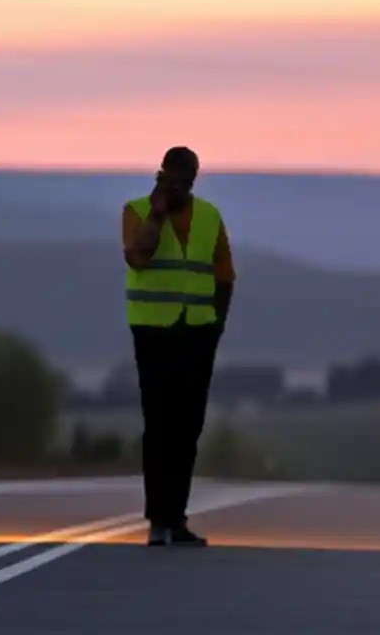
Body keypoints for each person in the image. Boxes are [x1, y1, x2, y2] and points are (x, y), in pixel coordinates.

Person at [121, 146, 235, 547]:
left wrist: (216, 325)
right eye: (174, 180)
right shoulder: (136, 212)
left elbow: (225, 276)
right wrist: (157, 213)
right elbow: (138, 257)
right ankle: (158, 520)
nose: (180, 188)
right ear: (162, 175)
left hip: (198, 332)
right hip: (153, 331)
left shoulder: (209, 216)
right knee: (159, 425)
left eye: (187, 181)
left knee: (188, 427)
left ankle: (176, 518)